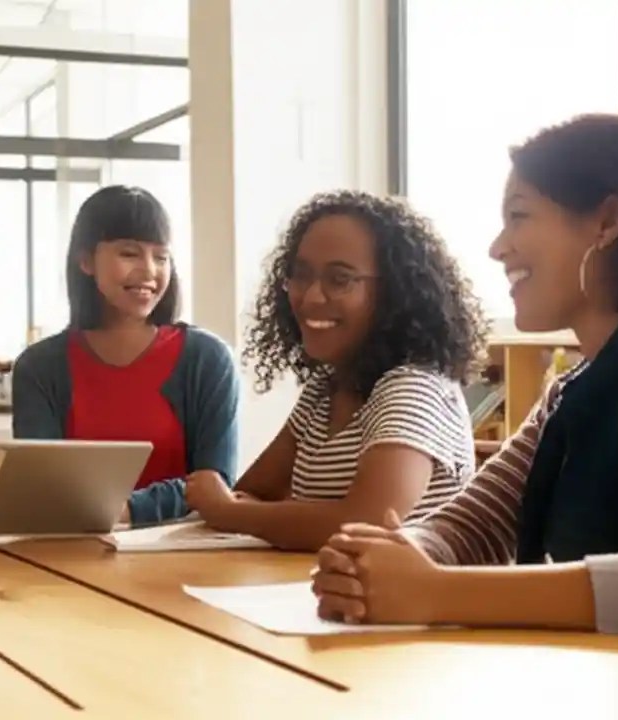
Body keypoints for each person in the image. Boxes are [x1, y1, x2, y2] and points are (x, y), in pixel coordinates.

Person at [312, 114, 618, 646]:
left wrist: (436, 593)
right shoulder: (573, 390)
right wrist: (378, 563)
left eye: (519, 216)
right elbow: (470, 527)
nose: (497, 247)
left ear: (607, 221)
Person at [184, 191, 487, 551]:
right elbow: (254, 492)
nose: (311, 297)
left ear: (396, 292)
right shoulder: (324, 389)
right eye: (300, 275)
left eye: (339, 279)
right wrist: (251, 511)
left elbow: (364, 523)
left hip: (407, 605)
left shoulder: (414, 386)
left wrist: (229, 513)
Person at [12, 185, 239, 525]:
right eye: (130, 253)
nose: (149, 270)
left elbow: (216, 484)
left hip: (187, 554)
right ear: (86, 260)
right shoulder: (39, 368)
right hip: (71, 554)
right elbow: (44, 490)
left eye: (161, 257)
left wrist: (126, 509)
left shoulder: (207, 359)